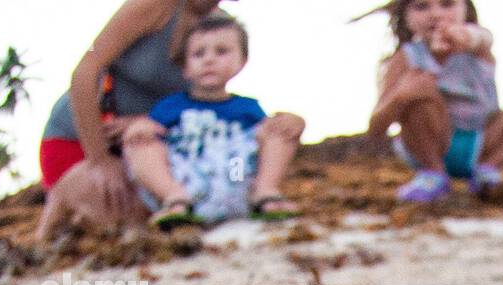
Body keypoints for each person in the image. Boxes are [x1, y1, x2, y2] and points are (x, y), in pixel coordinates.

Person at [35, 0, 303, 241]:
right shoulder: (155, 6)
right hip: (80, 139)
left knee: (172, 213)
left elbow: (207, 106)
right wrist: (100, 159)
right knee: (127, 210)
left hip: (153, 140)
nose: (210, 58)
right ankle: (51, 226)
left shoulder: (219, 28)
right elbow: (85, 71)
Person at [361, 0, 503, 202]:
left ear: (465, 9)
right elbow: (375, 129)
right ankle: (433, 175)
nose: (436, 14)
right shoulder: (405, 58)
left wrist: (467, 37)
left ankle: (487, 170)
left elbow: (484, 37)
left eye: (447, 4)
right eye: (422, 6)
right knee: (421, 93)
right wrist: (401, 96)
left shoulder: (478, 48)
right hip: (429, 146)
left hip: (483, 142)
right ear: (405, 17)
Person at [123, 12, 302, 228]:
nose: (209, 60)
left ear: (242, 61)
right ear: (185, 68)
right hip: (185, 183)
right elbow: (153, 132)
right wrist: (140, 127)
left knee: (280, 129)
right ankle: (173, 200)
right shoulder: (171, 106)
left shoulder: (247, 107)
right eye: (198, 54)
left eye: (222, 52)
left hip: (236, 177)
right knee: (141, 141)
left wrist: (292, 122)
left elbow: (264, 142)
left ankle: (265, 193)